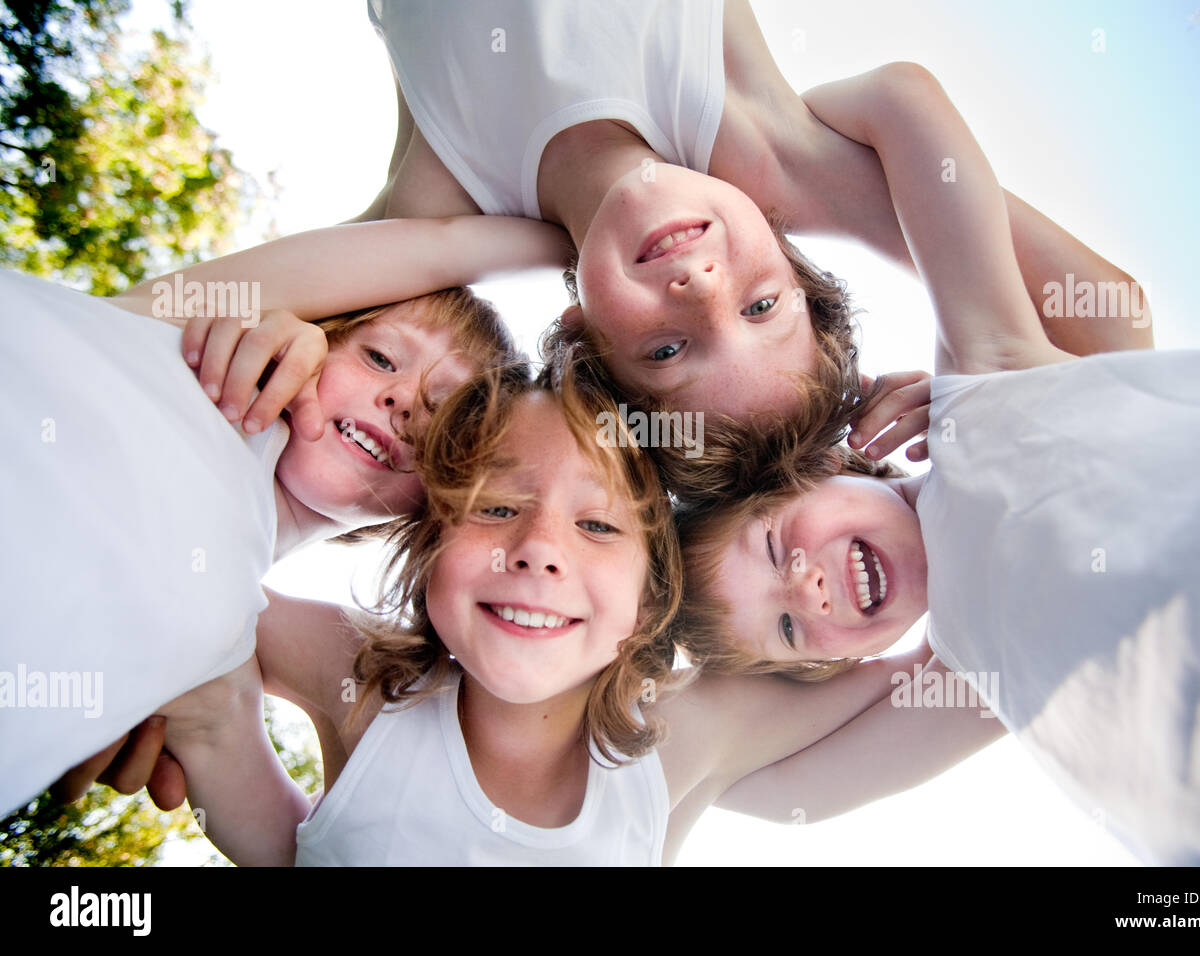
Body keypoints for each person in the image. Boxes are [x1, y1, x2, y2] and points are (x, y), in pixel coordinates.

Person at [671, 61, 1200, 865]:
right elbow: (763, 788)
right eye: (789, 629)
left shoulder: (983, 389)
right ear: (836, 665)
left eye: (773, 543)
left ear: (822, 468)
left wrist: (792, 170)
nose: (805, 583)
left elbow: (902, 98)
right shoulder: (958, 681)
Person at [134, 353, 997, 865]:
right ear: (431, 541)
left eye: (595, 524)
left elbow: (993, 667)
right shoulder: (360, 675)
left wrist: (966, 446)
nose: (541, 546)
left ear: (651, 601)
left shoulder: (688, 740)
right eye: (497, 508)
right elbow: (162, 571)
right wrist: (194, 714)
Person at [357, 0, 1151, 479]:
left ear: (579, 337)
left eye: (667, 351)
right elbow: (1115, 324)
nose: (703, 290)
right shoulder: (756, 162)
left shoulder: (443, 201)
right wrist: (992, 356)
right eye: (764, 305)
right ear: (789, 252)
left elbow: (285, 312)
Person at [0, 214, 570, 816]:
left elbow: (308, 849)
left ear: (443, 497)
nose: (403, 399)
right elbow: (443, 242)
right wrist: (597, 242)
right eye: (379, 358)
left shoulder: (223, 653)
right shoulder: (180, 332)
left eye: (441, 412)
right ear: (316, 329)